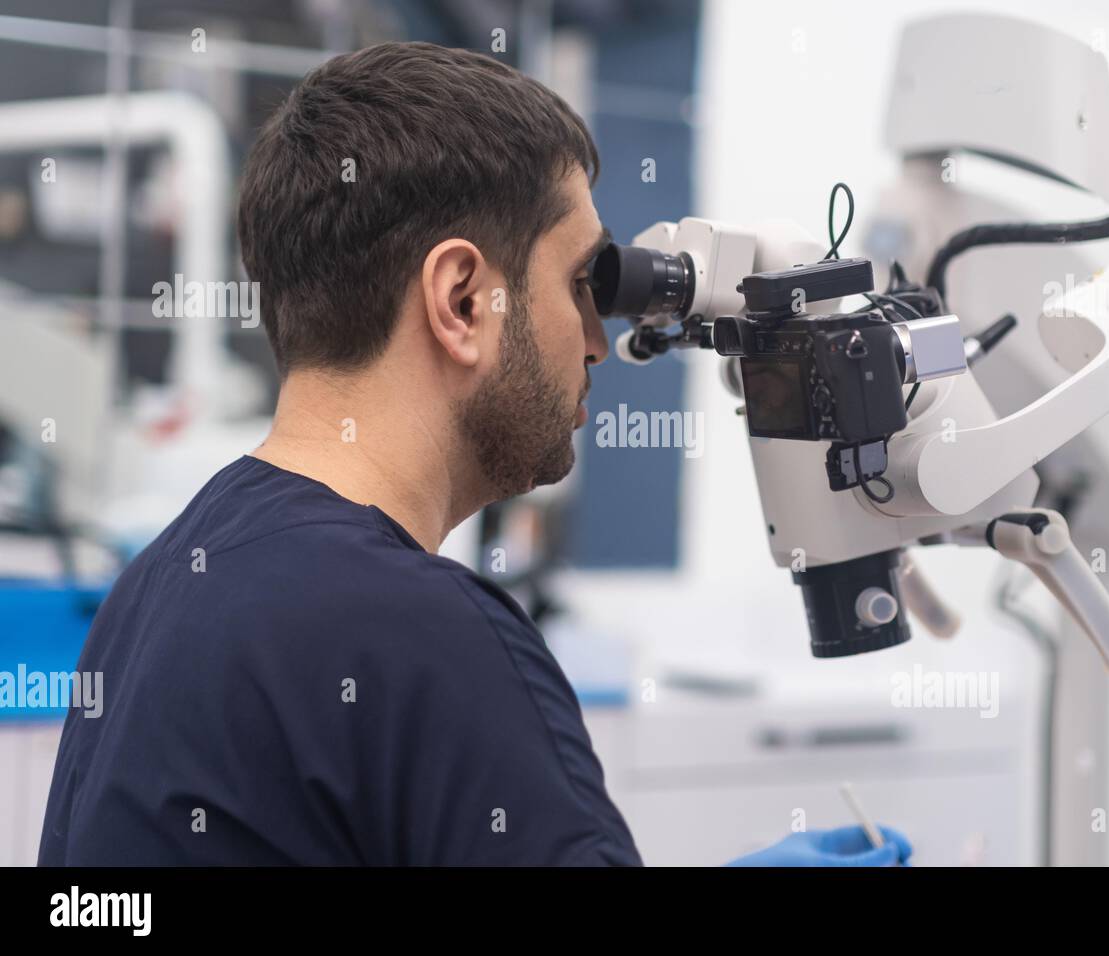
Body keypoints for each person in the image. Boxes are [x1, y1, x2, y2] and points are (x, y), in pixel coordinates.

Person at [38, 41, 910, 867]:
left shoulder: (161, 579)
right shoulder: (425, 637)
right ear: (462, 301)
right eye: (580, 284)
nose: (598, 346)